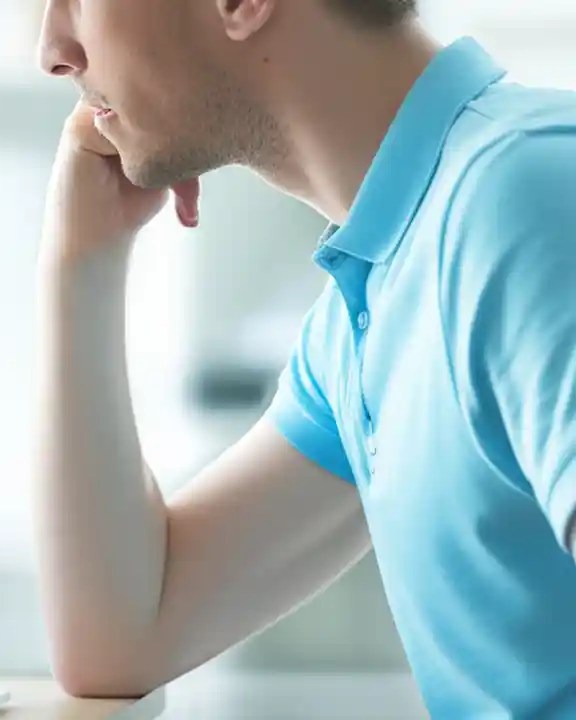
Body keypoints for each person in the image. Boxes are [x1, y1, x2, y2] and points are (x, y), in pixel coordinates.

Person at [32, 0, 576, 716]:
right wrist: (80, 260)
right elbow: (123, 642)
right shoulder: (370, 302)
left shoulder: (527, 200)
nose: (54, 48)